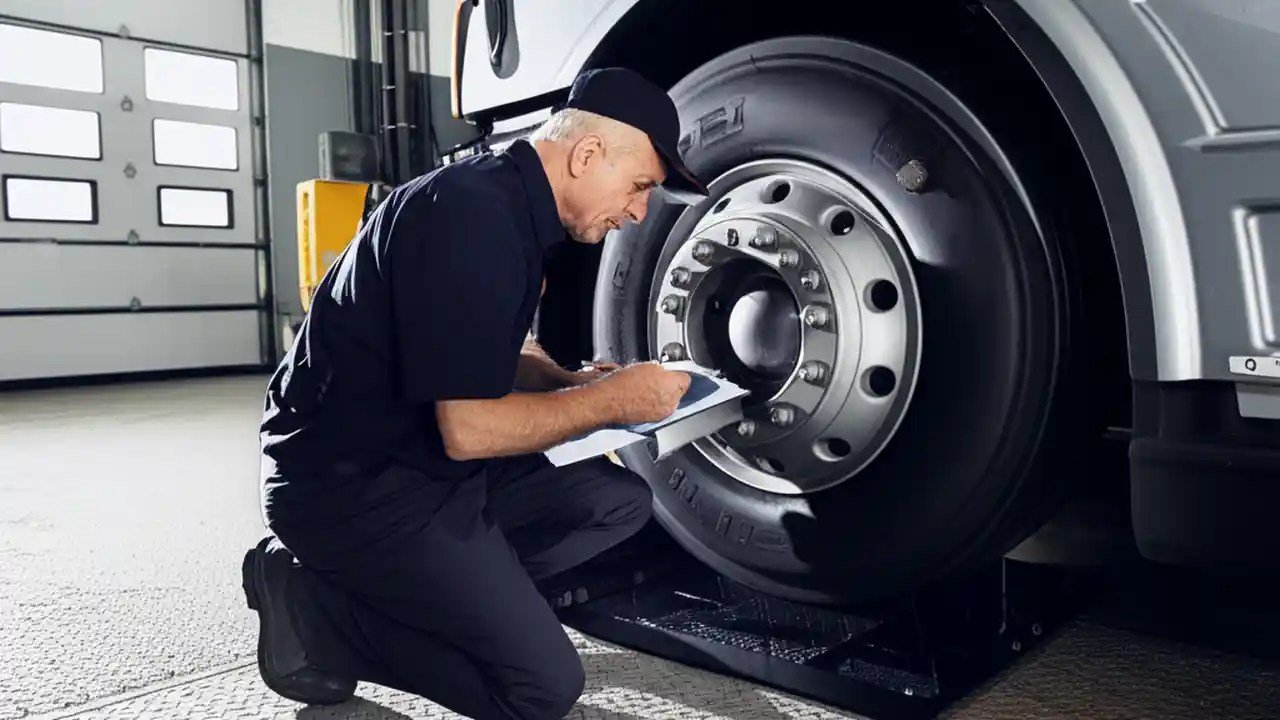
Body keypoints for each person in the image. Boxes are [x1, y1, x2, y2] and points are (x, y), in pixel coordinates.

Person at [240, 67, 709, 720]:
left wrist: (566, 382)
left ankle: (446, 600)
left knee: (617, 503)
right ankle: (314, 608)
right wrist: (615, 402)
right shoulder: (472, 214)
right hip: (347, 486)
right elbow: (471, 431)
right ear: (587, 154)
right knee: (542, 689)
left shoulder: (501, 206)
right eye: (639, 188)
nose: (637, 211)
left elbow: (454, 346)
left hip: (416, 463)